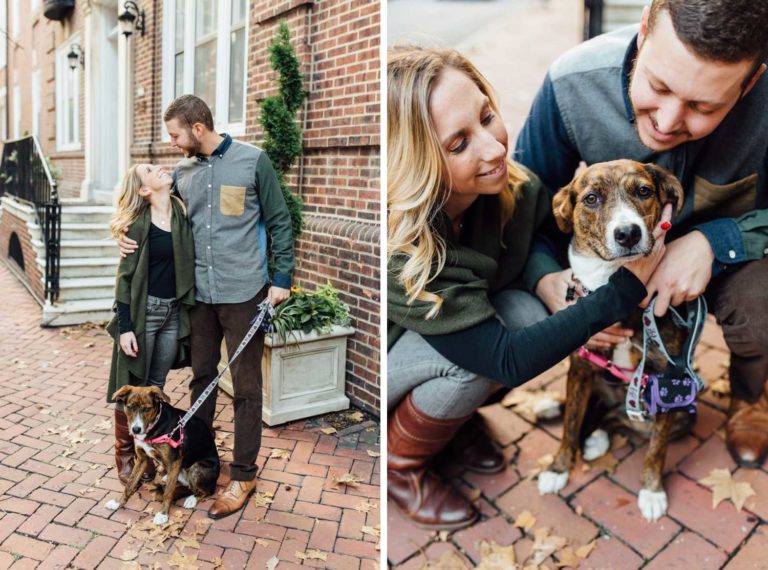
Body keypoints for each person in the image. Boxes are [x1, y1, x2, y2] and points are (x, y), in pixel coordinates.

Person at [387, 45, 671, 530]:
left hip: (458, 338)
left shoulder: (507, 187)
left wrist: (544, 279)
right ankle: (400, 467)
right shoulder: (405, 251)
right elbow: (508, 360)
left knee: (528, 312)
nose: (496, 148)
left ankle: (453, 426)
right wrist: (618, 295)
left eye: (487, 116)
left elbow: (536, 230)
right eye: (459, 144)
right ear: (418, 162)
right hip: (391, 362)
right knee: (476, 362)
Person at [516, 0, 768, 467]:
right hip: (611, 264)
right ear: (645, 28)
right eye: (658, 86)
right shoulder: (570, 84)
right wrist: (545, 279)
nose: (669, 121)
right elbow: (523, 209)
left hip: (733, 259)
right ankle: (605, 394)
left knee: (762, 306)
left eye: (703, 106)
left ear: (751, 81)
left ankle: (752, 398)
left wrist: (717, 241)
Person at [118, 95, 295, 519]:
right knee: (202, 382)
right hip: (199, 298)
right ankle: (202, 465)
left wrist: (282, 279)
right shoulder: (181, 174)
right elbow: (150, 208)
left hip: (245, 294)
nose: (174, 144)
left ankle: (244, 475)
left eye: (177, 135)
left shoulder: (254, 162)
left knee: (247, 387)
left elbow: (279, 220)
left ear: (198, 128)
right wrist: (124, 233)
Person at [107, 163, 196, 485]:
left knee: (155, 385)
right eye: (149, 170)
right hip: (146, 313)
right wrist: (126, 327)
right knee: (130, 386)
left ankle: (150, 449)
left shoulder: (180, 210)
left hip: (173, 312)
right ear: (144, 190)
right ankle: (125, 455)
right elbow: (125, 280)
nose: (158, 168)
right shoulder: (138, 225)